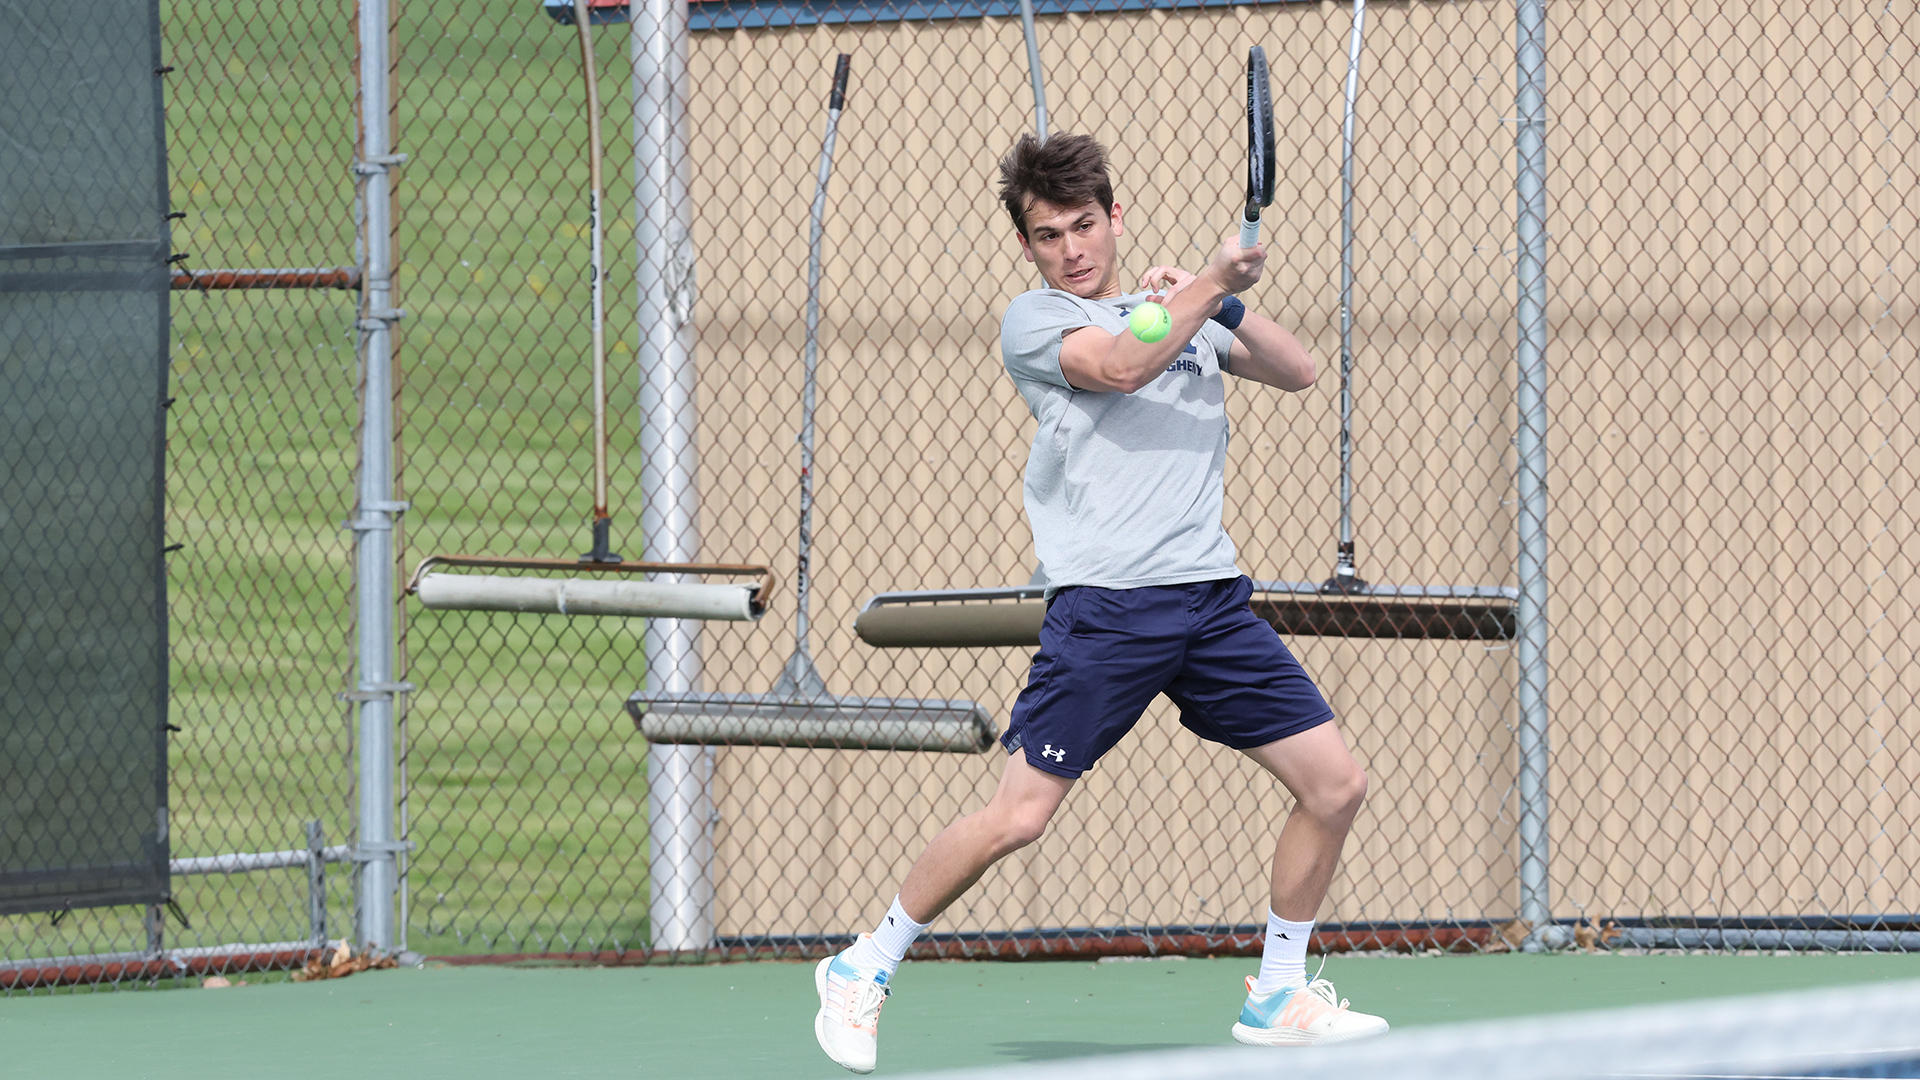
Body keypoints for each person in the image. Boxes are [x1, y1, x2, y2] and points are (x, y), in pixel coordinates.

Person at [812, 132, 1388, 1074]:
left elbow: (1298, 370)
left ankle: (1278, 993)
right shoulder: (1035, 320)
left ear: (1115, 217)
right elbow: (1120, 366)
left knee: (1335, 787)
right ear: (1027, 245)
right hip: (1108, 611)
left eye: (1085, 225)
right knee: (1019, 818)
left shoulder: (1176, 307)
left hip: (1210, 602)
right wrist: (1201, 288)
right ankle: (863, 964)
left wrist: (1218, 296)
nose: (1072, 249)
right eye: (1049, 235)